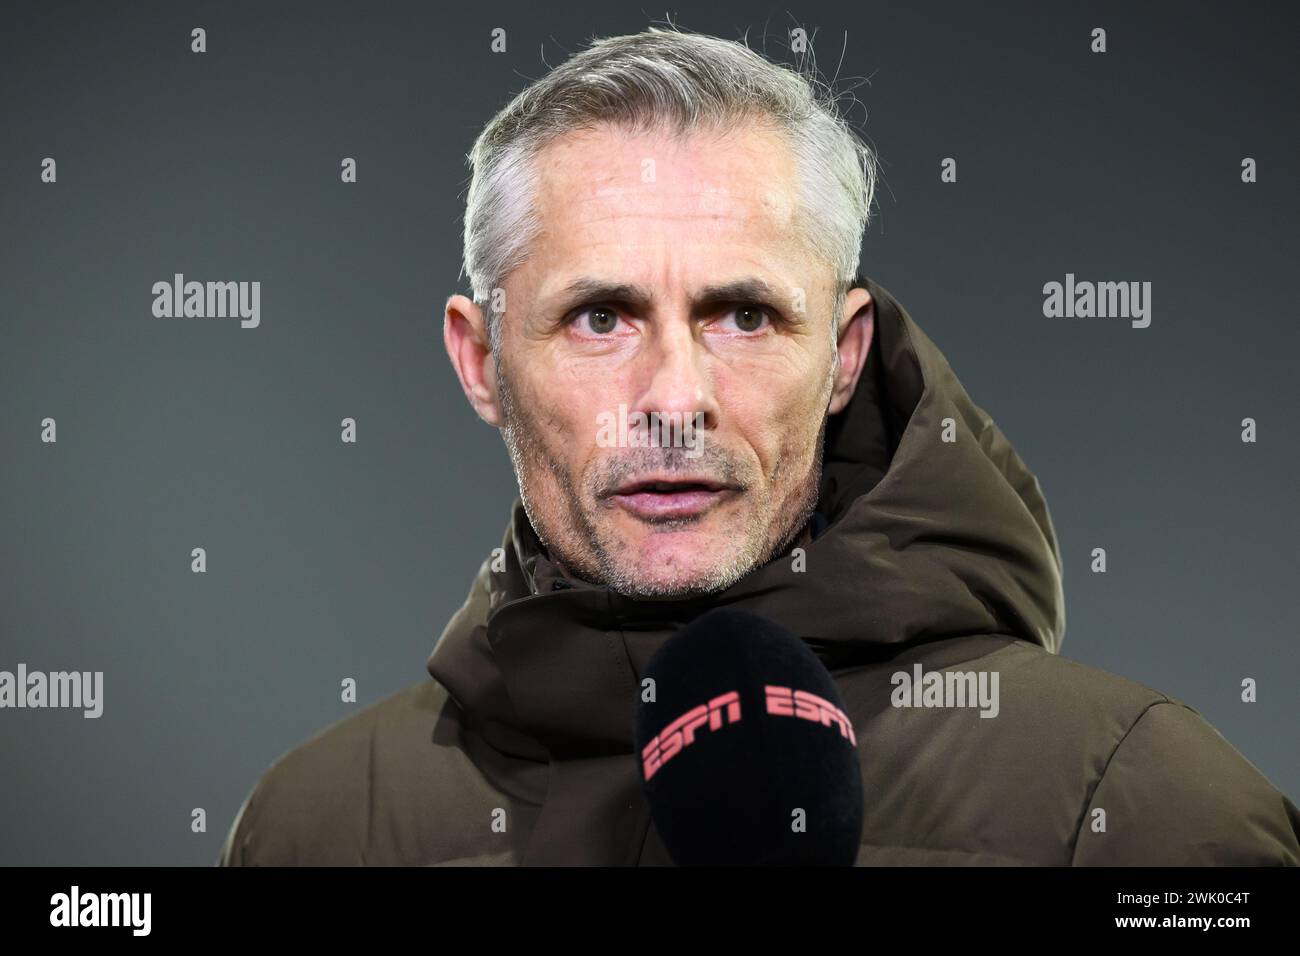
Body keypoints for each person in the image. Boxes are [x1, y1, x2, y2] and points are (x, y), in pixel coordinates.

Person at [218, 26, 1299, 866]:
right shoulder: (314, 826)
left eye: (743, 315)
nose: (676, 399)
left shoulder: (1127, 795)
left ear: (842, 354)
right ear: (480, 359)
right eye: (601, 316)